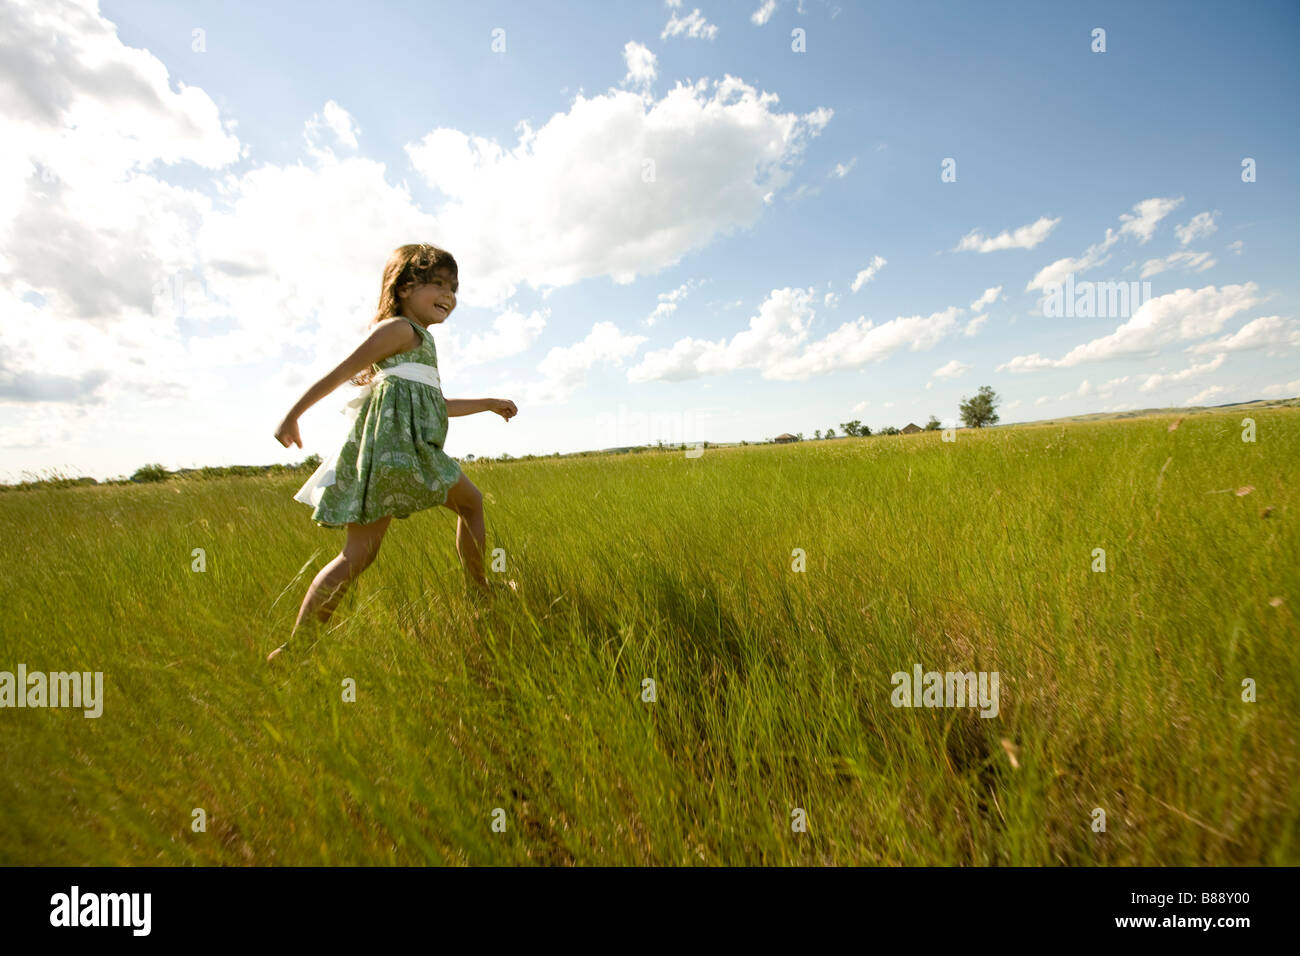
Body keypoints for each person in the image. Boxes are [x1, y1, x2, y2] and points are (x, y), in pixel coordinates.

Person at [269, 243, 517, 662]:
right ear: (403, 288)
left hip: (410, 454)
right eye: (437, 284)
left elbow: (437, 405)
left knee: (367, 551)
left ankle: (297, 649)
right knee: (460, 510)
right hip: (397, 454)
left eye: (453, 287)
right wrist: (293, 414)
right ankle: (479, 592)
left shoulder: (422, 341)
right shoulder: (399, 330)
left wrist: (488, 403)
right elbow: (341, 372)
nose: (449, 295)